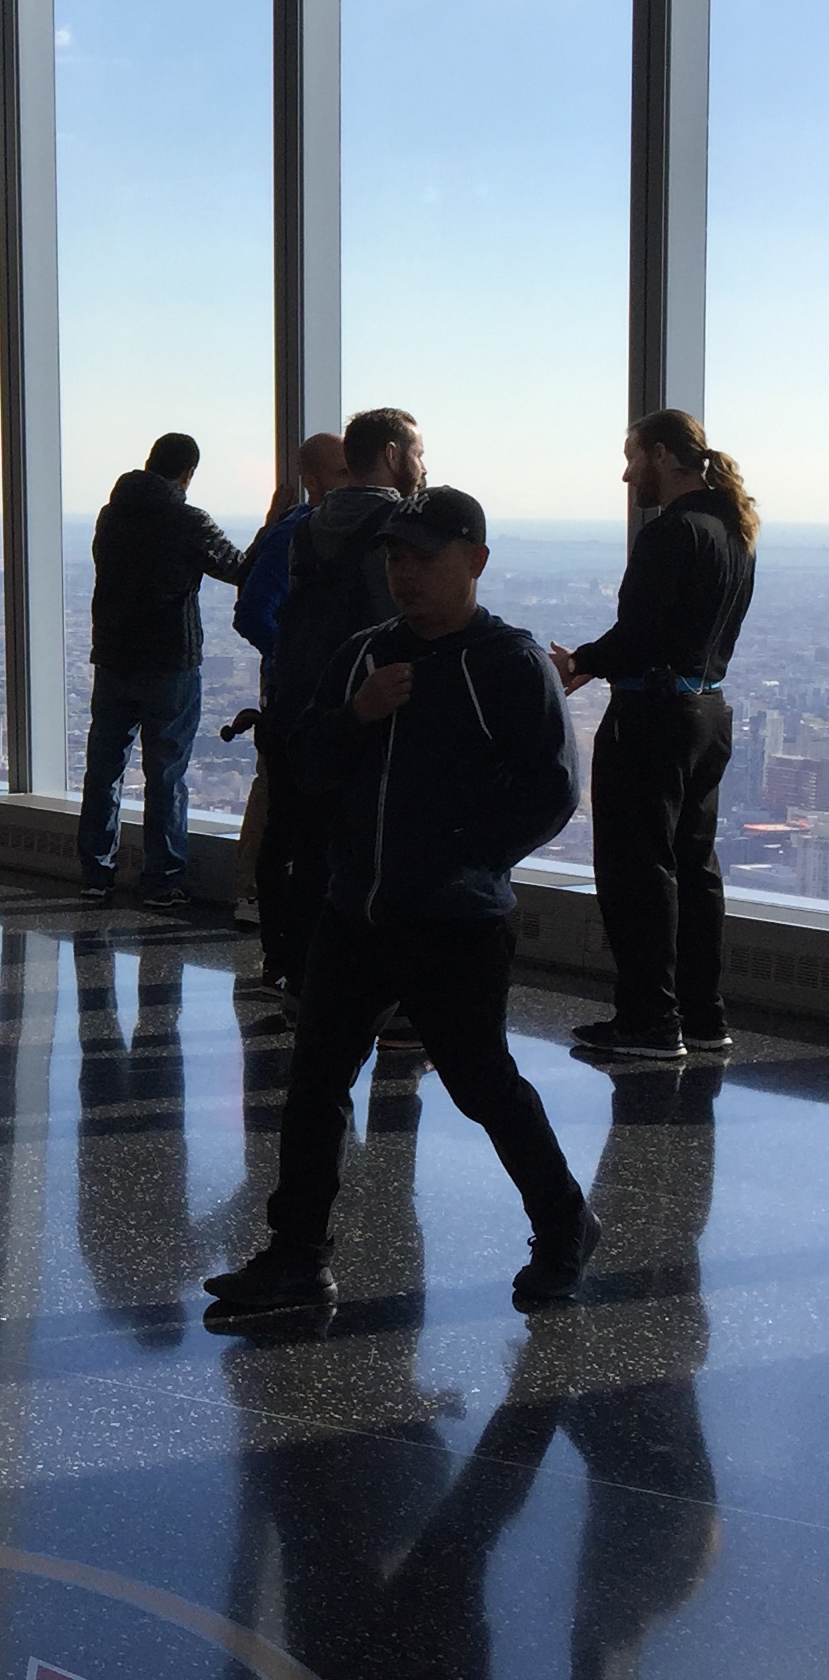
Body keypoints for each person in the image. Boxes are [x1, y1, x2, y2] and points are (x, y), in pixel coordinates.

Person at [206, 487, 598, 1315]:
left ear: (476, 563)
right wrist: (358, 712)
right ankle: (297, 1254)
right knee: (316, 1081)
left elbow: (551, 791)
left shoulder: (509, 664)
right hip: (356, 911)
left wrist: (462, 859)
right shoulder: (367, 655)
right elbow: (307, 766)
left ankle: (566, 1226)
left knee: (481, 1081)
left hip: (454, 920)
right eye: (396, 558)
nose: (406, 574)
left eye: (424, 558)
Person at [552, 409, 758, 1060]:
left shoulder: (670, 533)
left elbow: (638, 636)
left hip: (651, 718)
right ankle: (703, 1014)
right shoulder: (733, 533)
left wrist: (580, 661)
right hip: (707, 712)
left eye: (633, 456)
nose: (626, 473)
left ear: (664, 456)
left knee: (638, 869)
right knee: (694, 869)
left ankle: (648, 1018)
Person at [260, 405, 427, 990]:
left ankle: (300, 975)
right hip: (368, 708)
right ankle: (370, 990)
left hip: (300, 707)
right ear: (390, 455)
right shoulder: (398, 530)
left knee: (305, 852)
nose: (423, 464)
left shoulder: (306, 527)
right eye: (417, 452)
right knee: (368, 856)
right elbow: (399, 624)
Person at [75, 433, 250, 908]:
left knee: (104, 769)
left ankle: (96, 874)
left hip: (112, 656)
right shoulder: (186, 519)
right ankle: (161, 881)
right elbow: (238, 568)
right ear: (188, 473)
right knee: (166, 774)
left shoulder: (111, 515)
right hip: (170, 662)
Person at [228, 434, 350, 931]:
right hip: (294, 690)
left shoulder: (328, 534)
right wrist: (295, 659)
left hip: (310, 685)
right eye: (342, 472)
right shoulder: (297, 534)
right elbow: (252, 612)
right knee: (276, 789)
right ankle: (254, 895)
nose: (352, 480)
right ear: (316, 481)